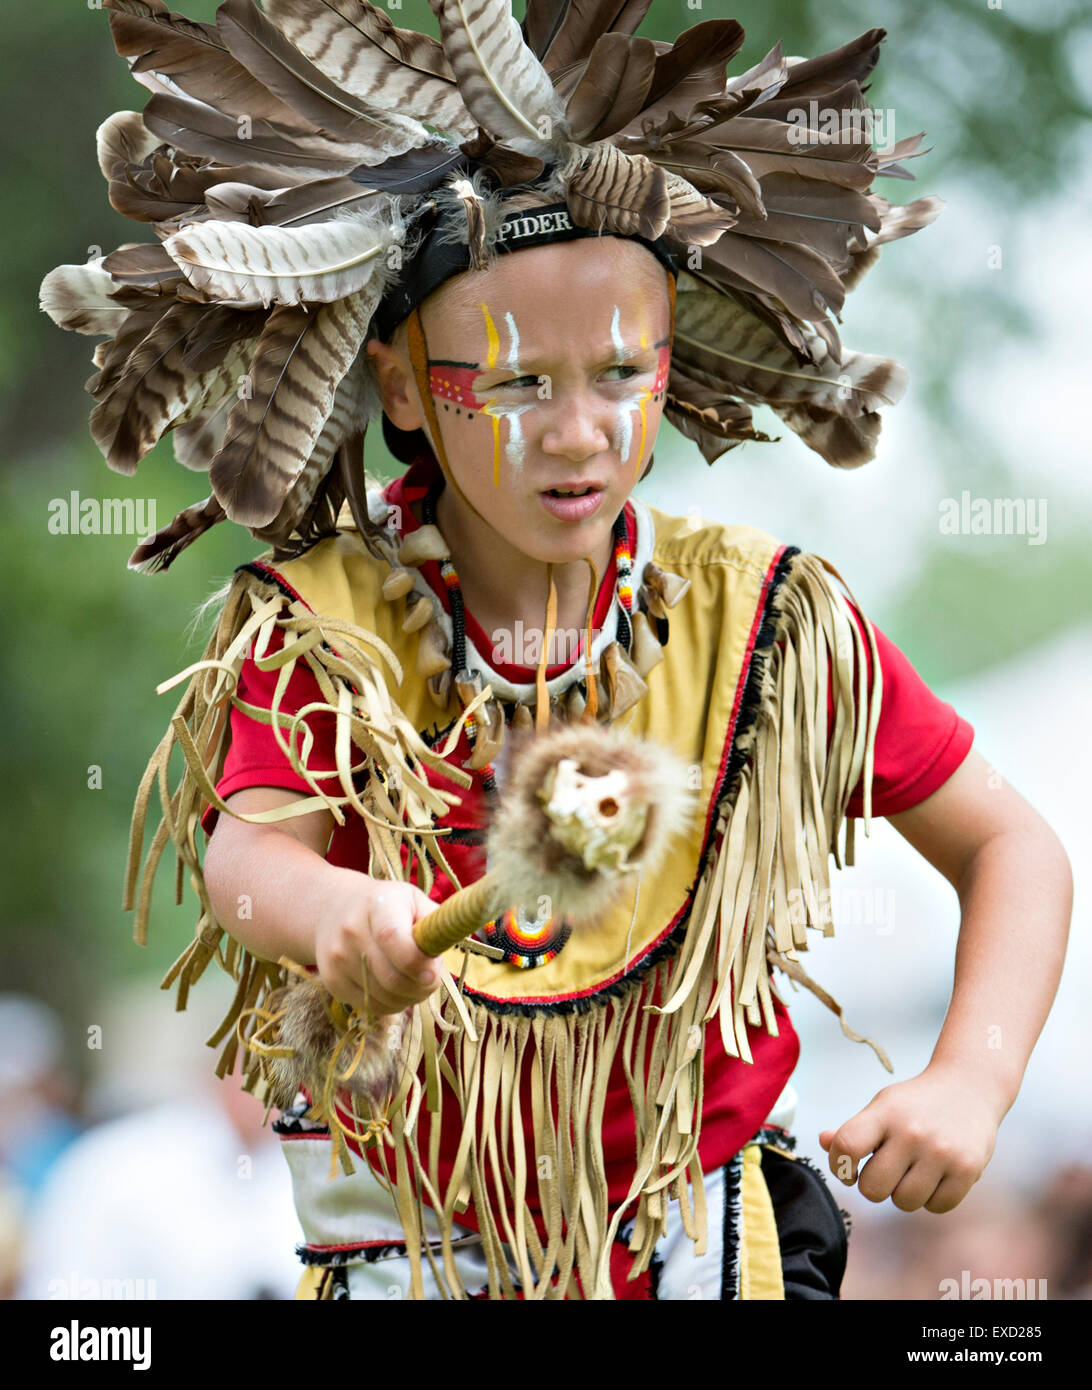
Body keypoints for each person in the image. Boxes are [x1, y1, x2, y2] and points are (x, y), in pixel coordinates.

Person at [40, 2, 1071, 1300]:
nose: (580, 431)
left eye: (619, 373)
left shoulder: (763, 616)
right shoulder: (323, 628)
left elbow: (1014, 845)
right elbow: (249, 853)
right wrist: (333, 910)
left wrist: (973, 1075)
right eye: (519, 384)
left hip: (711, 1249)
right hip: (413, 1254)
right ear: (407, 387)